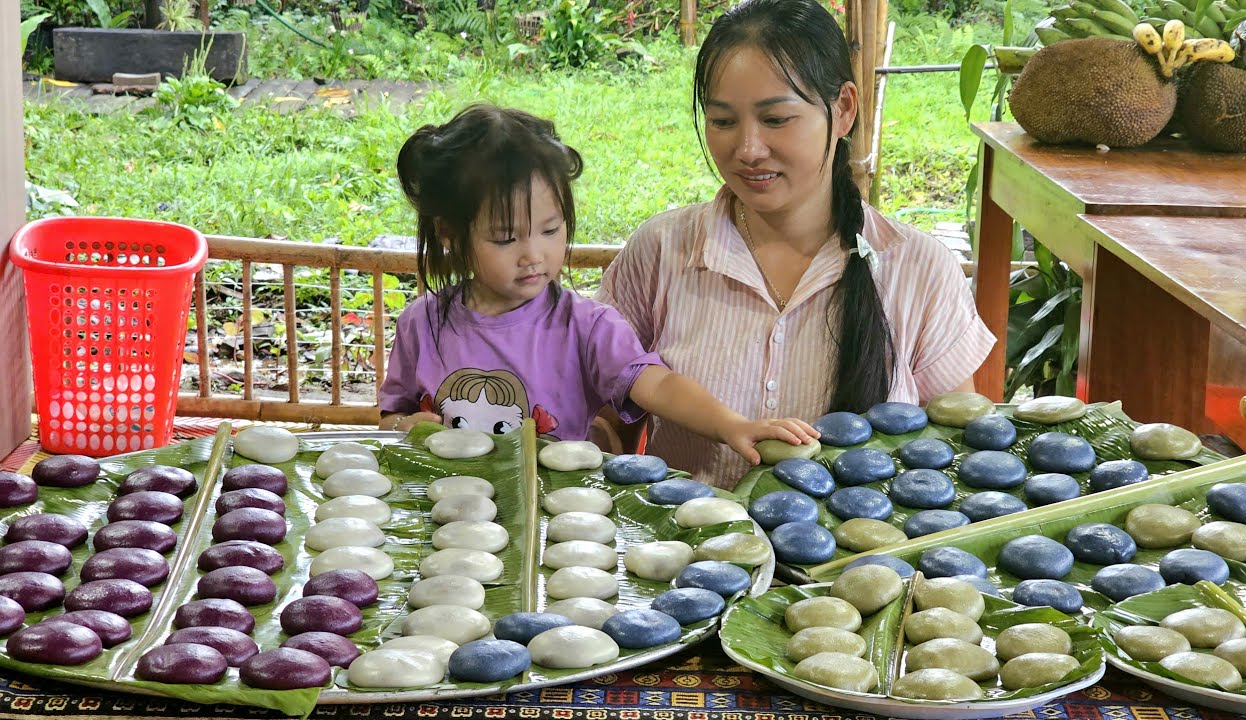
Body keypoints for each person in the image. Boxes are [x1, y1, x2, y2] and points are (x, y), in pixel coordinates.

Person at [595, 0, 996, 489]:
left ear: (843, 109)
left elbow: (953, 455)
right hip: (685, 537)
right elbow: (607, 418)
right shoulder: (660, 251)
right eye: (723, 121)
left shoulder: (919, 270)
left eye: (777, 119)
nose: (748, 150)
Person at [378, 104, 818, 465]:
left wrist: (731, 425)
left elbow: (658, 385)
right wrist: (404, 426)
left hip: (556, 524)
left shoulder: (586, 326)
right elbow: (391, 417)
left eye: (551, 230)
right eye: (506, 238)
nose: (534, 255)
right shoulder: (421, 324)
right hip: (447, 514)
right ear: (450, 235)